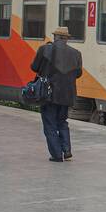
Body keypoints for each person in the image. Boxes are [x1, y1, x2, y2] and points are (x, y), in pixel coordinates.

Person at [31, 27, 82, 163]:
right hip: (67, 95)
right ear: (66, 39)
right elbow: (78, 74)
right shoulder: (76, 53)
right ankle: (67, 150)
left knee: (50, 124)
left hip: (48, 94)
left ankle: (57, 155)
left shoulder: (45, 50)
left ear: (55, 37)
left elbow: (34, 67)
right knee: (62, 122)